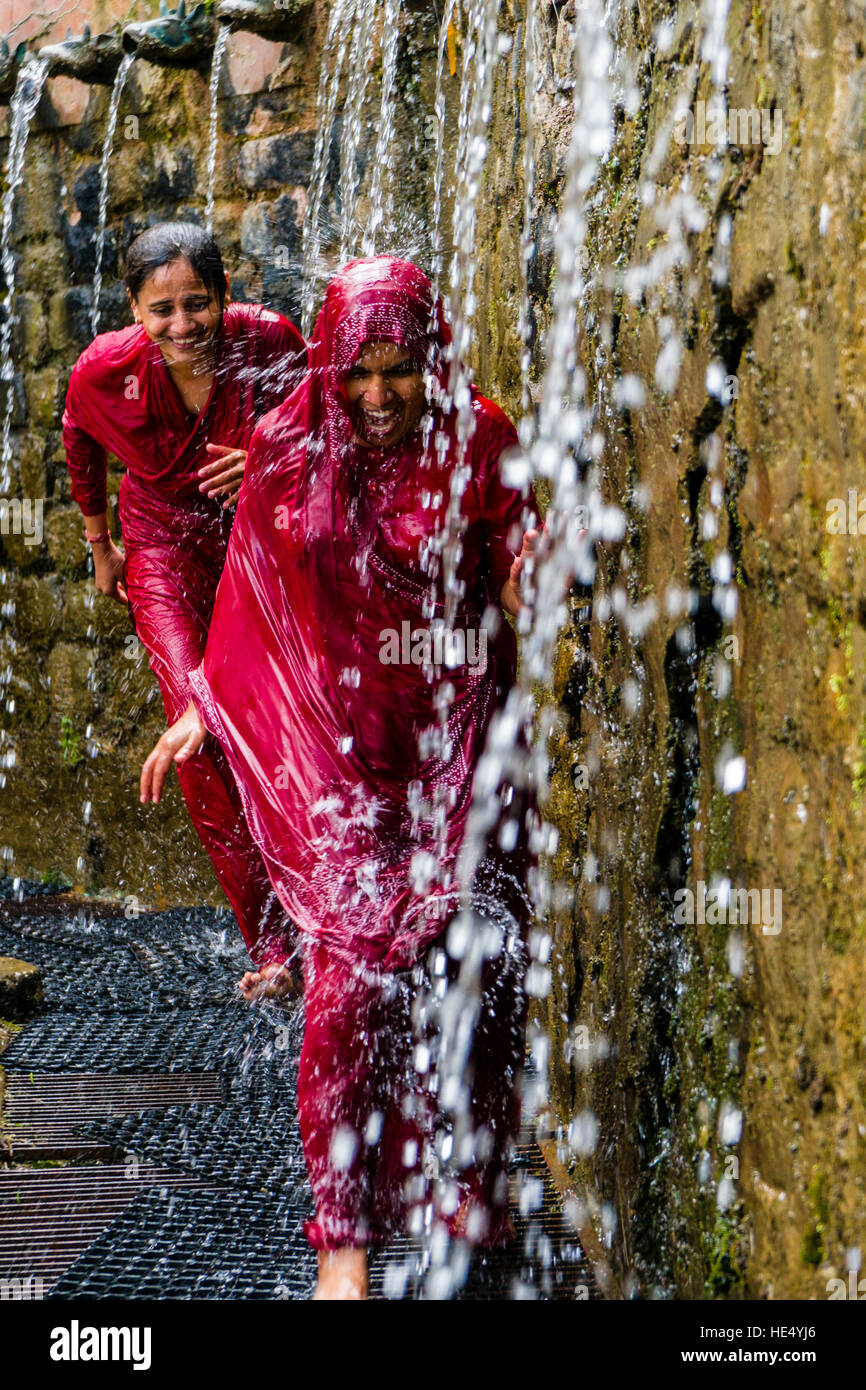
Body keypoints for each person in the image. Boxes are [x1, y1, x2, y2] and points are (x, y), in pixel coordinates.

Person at [140, 256, 540, 1298]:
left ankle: (476, 1176)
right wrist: (206, 705)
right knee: (349, 978)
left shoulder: (476, 435)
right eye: (356, 372)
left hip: (460, 739)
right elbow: (250, 595)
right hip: (343, 755)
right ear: (329, 368)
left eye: (396, 369)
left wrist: (545, 570)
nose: (374, 395)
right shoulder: (291, 441)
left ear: (429, 360)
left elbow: (518, 555)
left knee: (480, 959)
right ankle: (343, 1238)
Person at [63, 221, 307, 971]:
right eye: (161, 309)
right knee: (193, 730)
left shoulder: (267, 342)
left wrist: (266, 456)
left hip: (251, 537)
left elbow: (329, 430)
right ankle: (270, 943)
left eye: (196, 303)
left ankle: (319, 915)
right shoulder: (104, 371)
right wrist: (101, 546)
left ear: (226, 296)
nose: (182, 325)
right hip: (162, 543)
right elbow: (80, 436)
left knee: (280, 718)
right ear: (134, 309)